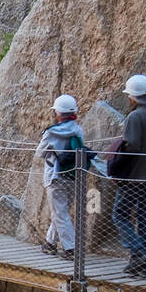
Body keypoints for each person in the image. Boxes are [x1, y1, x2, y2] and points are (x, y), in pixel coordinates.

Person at [110, 75, 146, 278]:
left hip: (134, 178)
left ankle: (139, 253)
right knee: (145, 219)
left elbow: (132, 145)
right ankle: (143, 265)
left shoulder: (135, 117)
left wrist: (117, 168)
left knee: (120, 215)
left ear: (133, 97)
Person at [34, 94, 85, 261]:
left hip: (55, 177)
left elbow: (40, 153)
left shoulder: (51, 133)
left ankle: (71, 248)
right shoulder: (78, 130)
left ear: (58, 113)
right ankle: (50, 243)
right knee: (60, 211)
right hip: (73, 176)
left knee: (60, 213)